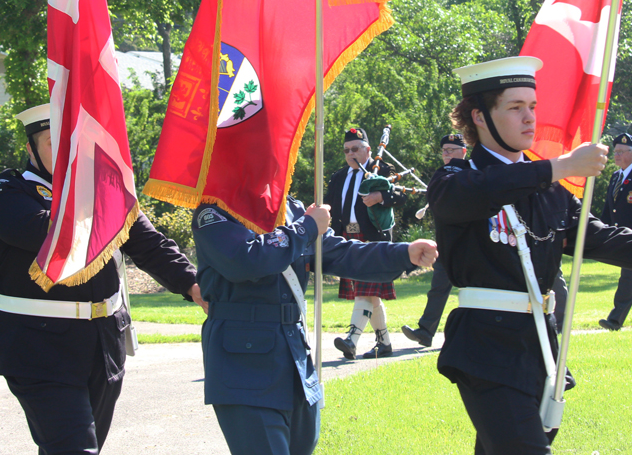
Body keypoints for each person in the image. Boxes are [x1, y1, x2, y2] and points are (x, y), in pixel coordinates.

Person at [427, 56, 632, 455]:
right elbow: (476, 193)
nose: (529, 118)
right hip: (486, 347)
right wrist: (559, 166)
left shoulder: (550, 188)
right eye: (514, 108)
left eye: (532, 106)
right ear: (479, 116)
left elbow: (598, 237)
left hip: (540, 345)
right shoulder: (456, 179)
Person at [0, 104, 204, 454]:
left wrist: (193, 283)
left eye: (70, 143)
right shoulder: (9, 194)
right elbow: (55, 236)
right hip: (39, 350)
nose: (63, 152)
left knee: (81, 447)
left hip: (103, 346)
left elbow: (150, 245)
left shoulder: (104, 190)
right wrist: (105, 199)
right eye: (50, 142)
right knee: (75, 449)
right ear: (30, 149)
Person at [193, 196, 438, 455]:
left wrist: (403, 253)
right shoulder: (214, 209)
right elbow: (245, 260)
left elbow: (342, 252)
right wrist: (306, 227)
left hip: (294, 360)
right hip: (244, 367)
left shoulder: (292, 208)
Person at [326, 127, 407, 359]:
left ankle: (352, 339)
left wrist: (381, 197)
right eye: (346, 150)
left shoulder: (380, 169)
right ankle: (385, 343)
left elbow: (401, 196)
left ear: (368, 149)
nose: (350, 153)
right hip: (347, 239)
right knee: (371, 295)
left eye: (356, 149)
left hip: (372, 238)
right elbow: (330, 206)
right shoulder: (339, 176)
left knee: (364, 290)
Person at [402, 133, 464, 348]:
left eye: (451, 150)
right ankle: (426, 332)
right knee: (438, 288)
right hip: (446, 244)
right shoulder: (440, 175)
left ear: (463, 152)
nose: (446, 155)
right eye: (444, 151)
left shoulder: (473, 172)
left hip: (469, 245)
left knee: (474, 291)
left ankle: (476, 333)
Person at [597, 133, 632, 331]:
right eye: (616, 152)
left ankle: (615, 319)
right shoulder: (616, 176)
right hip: (620, 235)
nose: (616, 156)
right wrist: (601, 230)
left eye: (621, 152)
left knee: (629, 275)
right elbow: (609, 209)